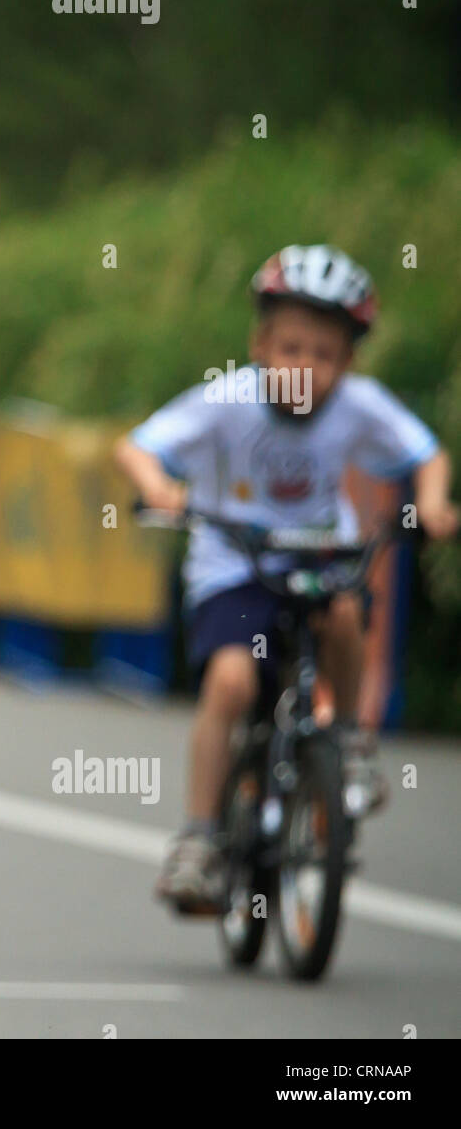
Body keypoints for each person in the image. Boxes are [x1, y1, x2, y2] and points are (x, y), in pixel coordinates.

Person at [113, 244, 458, 911]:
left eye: (324, 354)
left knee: (347, 618)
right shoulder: (228, 399)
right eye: (291, 347)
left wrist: (436, 502)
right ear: (261, 345)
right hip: (235, 564)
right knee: (234, 680)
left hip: (320, 556)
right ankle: (200, 836)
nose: (306, 367)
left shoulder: (360, 406)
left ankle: (352, 746)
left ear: (349, 362)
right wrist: (160, 488)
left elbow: (425, 453)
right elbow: (139, 447)